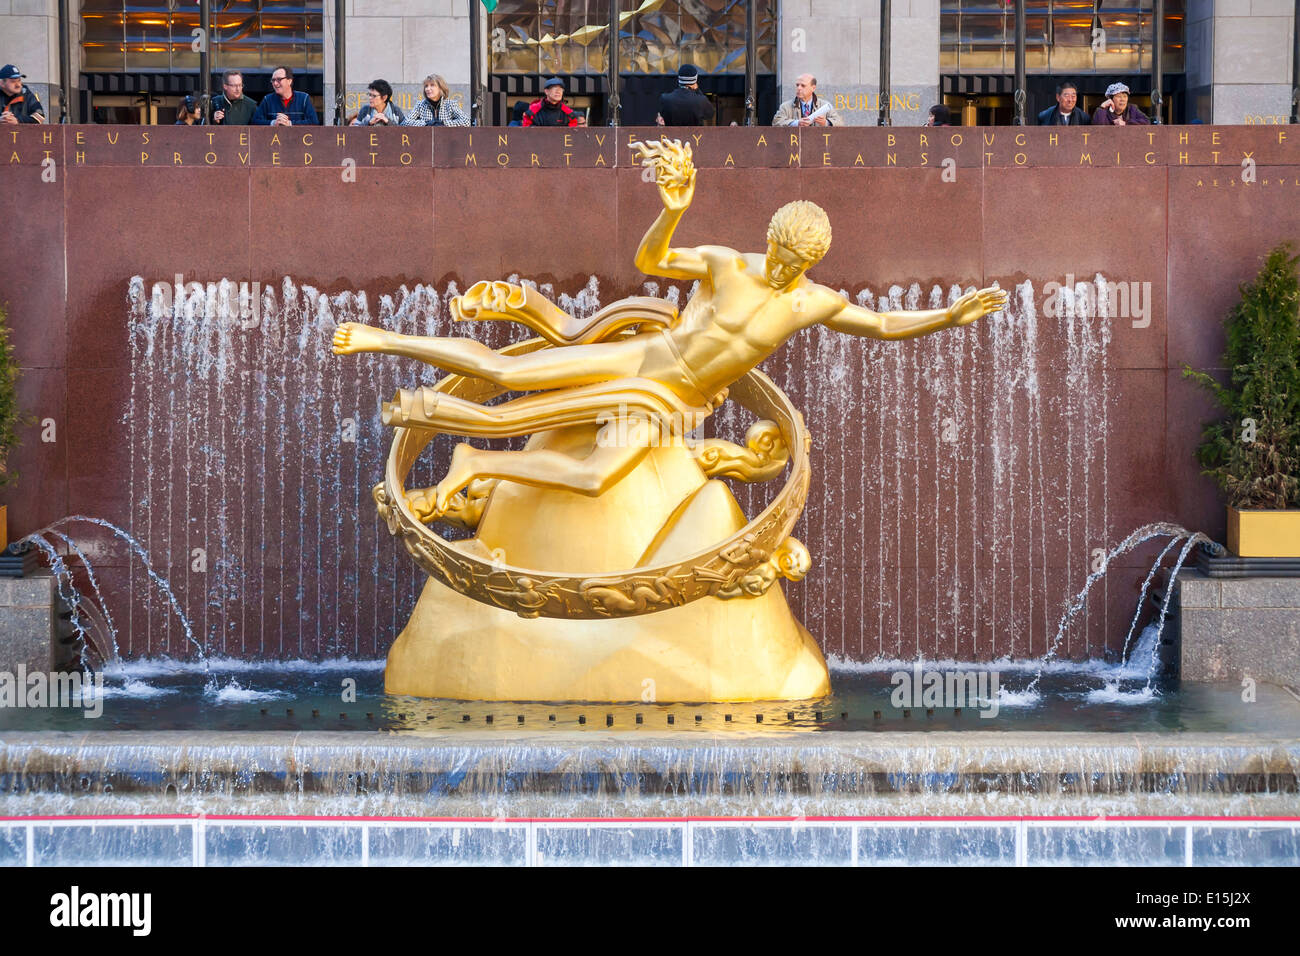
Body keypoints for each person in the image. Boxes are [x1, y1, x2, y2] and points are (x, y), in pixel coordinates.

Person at [332, 139, 1004, 511]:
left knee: (596, 479)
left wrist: (947, 316)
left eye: (793, 260)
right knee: (508, 371)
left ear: (813, 261)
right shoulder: (724, 263)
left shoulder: (814, 303)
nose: (778, 264)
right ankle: (382, 339)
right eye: (776, 250)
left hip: (672, 405)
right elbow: (649, 259)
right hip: (645, 361)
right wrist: (673, 209)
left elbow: (883, 326)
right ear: (767, 239)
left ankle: (474, 459)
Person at [252, 66, 319, 126]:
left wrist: (290, 123)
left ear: (289, 81)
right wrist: (273, 123)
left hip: (297, 139)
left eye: (279, 79)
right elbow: (255, 121)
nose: (275, 83)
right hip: (275, 139)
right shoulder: (267, 99)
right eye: (273, 80)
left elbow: (314, 122)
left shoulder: (304, 98)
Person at [773, 74, 841, 127]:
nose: (799, 88)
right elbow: (776, 122)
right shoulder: (785, 106)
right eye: (797, 85)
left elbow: (839, 122)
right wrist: (796, 123)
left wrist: (826, 123)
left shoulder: (824, 106)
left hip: (819, 143)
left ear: (813, 88)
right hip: (795, 143)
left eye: (803, 85)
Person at [403, 73, 469, 127]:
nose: (428, 89)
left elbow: (466, 121)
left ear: (440, 88)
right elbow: (405, 122)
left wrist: (444, 124)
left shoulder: (450, 104)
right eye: (426, 86)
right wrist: (426, 123)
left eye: (432, 85)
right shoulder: (420, 105)